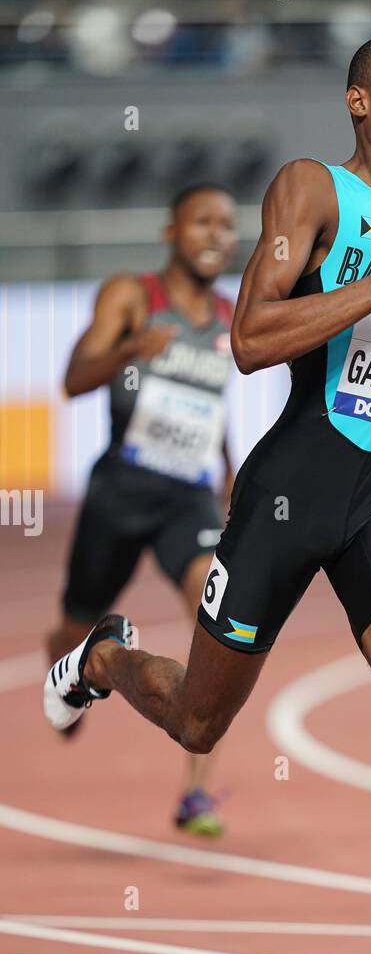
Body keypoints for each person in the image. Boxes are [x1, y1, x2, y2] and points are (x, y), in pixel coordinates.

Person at [43, 32, 371, 954]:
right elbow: (251, 338)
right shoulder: (311, 192)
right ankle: (111, 659)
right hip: (289, 491)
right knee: (202, 721)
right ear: (357, 101)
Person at [48, 183, 238, 836]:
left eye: (226, 225)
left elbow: (207, 404)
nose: (215, 234)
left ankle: (196, 793)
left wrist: (231, 467)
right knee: (74, 626)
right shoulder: (131, 296)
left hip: (186, 495)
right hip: (120, 491)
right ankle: (72, 665)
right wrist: (131, 349)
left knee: (217, 609)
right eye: (201, 222)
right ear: (170, 233)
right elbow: (73, 379)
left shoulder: (226, 314)